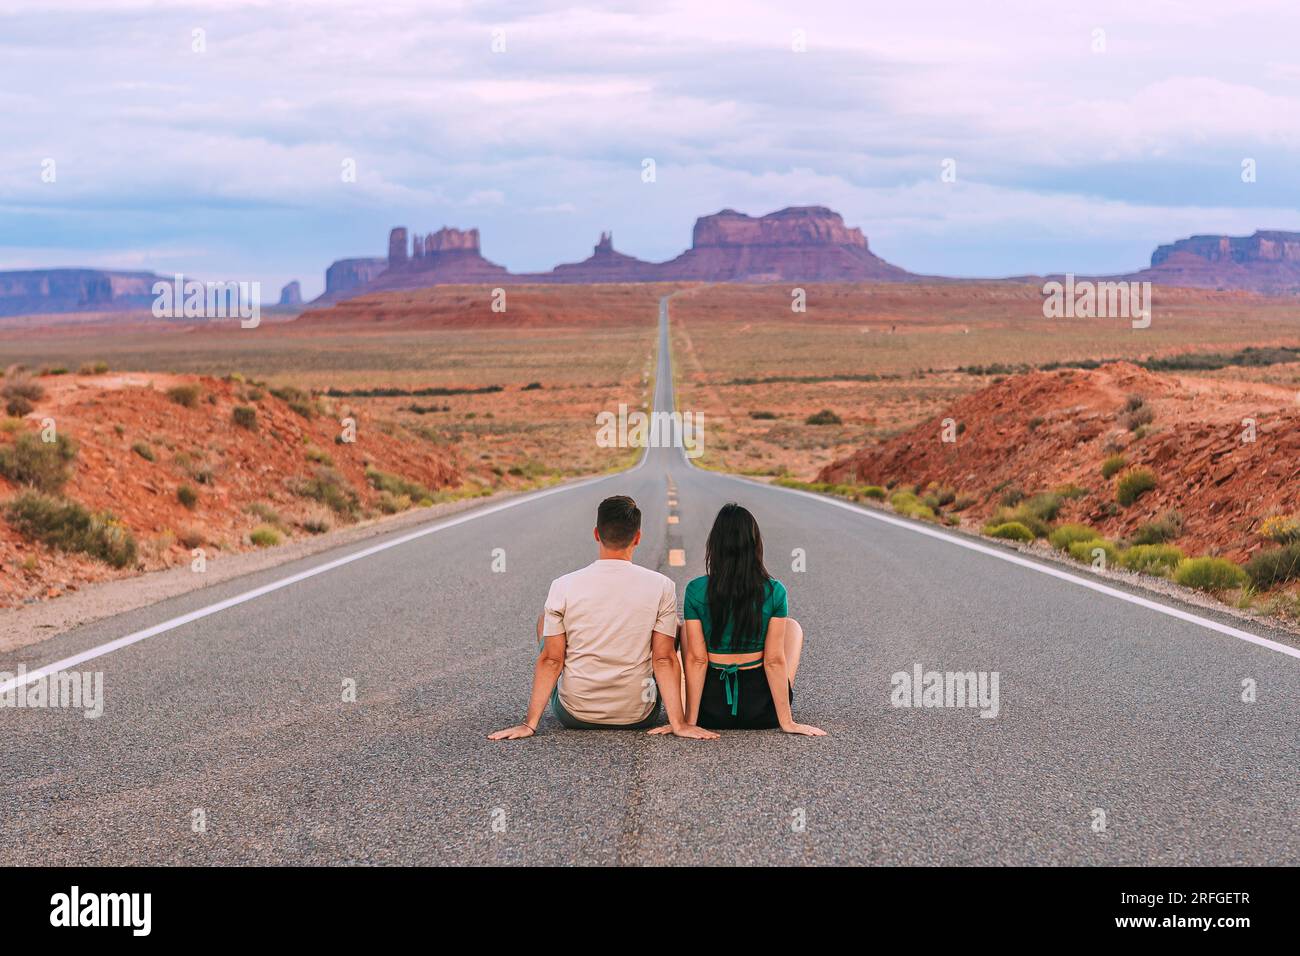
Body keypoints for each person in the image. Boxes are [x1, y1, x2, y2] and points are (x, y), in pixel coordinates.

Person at [489, 495, 718, 741]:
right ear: (638, 538)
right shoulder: (661, 585)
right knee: (673, 628)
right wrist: (679, 723)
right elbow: (663, 658)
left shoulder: (563, 585)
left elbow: (551, 660)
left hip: (574, 714)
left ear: (596, 534)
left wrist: (529, 724)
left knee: (545, 621)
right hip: (639, 714)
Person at [667, 503, 826, 736]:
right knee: (792, 627)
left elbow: (697, 660)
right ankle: (783, 712)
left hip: (710, 710)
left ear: (715, 545)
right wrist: (787, 722)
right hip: (762, 711)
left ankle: (692, 713)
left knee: (684, 631)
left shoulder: (696, 590)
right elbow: (773, 661)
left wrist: (690, 722)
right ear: (755, 545)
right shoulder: (774, 590)